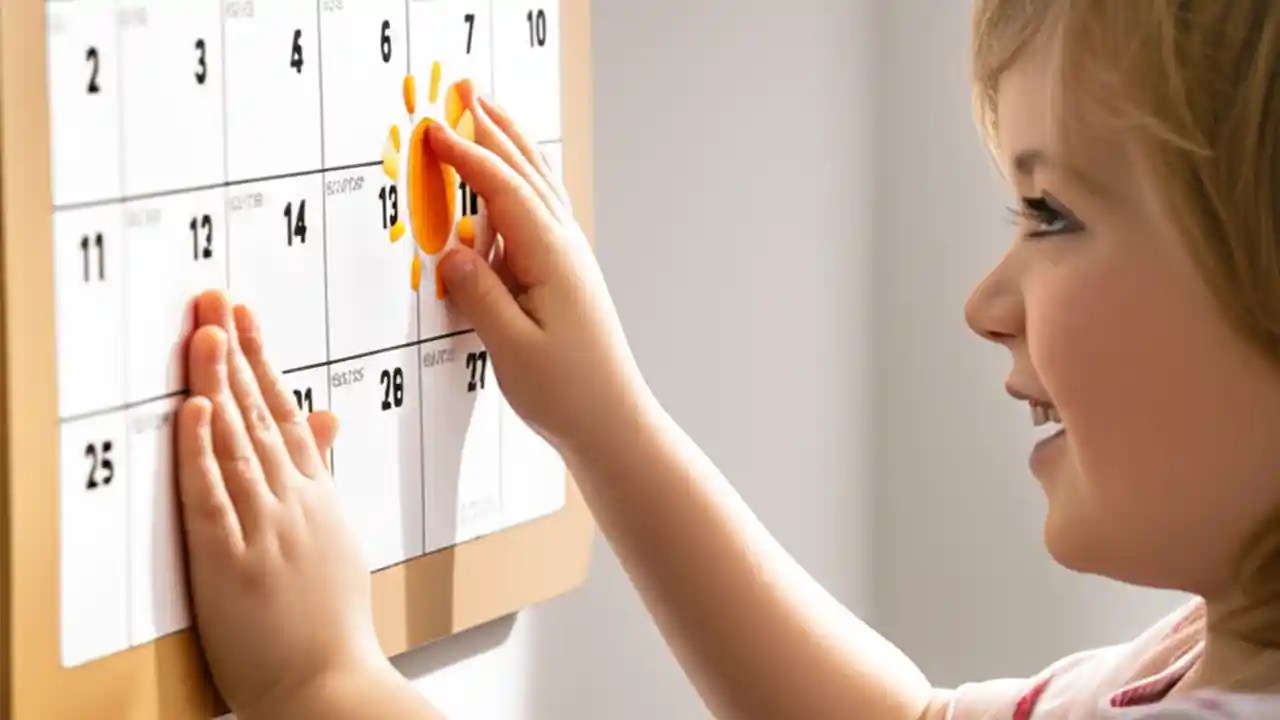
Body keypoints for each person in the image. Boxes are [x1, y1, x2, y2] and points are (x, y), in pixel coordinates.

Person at [171, 1, 1280, 717]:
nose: (983, 302)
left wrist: (316, 679)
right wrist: (606, 422)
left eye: (1048, 215)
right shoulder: (1205, 648)